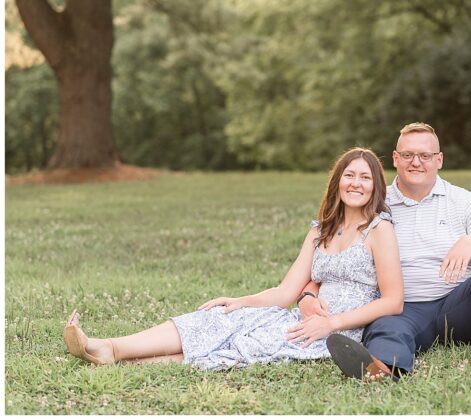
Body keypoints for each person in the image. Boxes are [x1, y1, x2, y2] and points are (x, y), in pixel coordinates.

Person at [63, 147, 403, 370]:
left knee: (244, 345)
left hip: (336, 332)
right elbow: (287, 292)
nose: (356, 183)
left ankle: (117, 358)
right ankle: (109, 346)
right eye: (349, 175)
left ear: (376, 186)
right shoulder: (321, 231)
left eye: (365, 177)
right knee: (220, 320)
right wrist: (241, 301)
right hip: (302, 319)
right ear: (338, 181)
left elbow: (393, 300)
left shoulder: (378, 230)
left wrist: (332, 324)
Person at [299, 123, 471, 381]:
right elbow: (336, 256)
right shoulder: (375, 203)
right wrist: (308, 293)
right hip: (403, 308)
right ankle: (382, 369)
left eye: (425, 156)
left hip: (460, 304)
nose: (416, 162)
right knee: (386, 326)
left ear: (439, 160)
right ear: (396, 159)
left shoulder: (463, 201)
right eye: (407, 155)